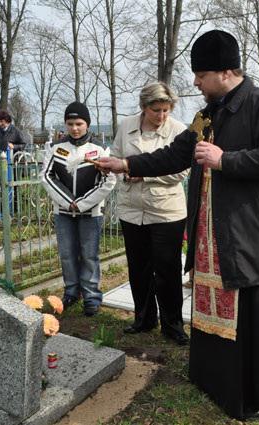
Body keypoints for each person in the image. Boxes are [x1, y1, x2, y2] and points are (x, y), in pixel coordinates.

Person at [97, 30, 259, 421]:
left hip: (252, 237)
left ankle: (250, 395)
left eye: (200, 74)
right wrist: (126, 165)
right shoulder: (207, 115)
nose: (194, 82)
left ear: (225, 72)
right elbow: (175, 155)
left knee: (250, 320)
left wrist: (227, 160)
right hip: (213, 235)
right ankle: (212, 381)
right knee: (208, 309)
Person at [111, 82, 190, 345]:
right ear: (143, 107)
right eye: (156, 110)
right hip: (132, 210)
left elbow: (182, 171)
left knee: (167, 271)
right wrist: (118, 170)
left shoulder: (179, 131)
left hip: (166, 212)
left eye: (166, 110)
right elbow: (116, 156)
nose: (162, 116)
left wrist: (142, 173)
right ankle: (143, 319)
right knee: (138, 268)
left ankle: (173, 325)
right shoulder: (126, 126)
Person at [41, 102, 116, 317]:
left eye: (79, 123)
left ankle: (92, 296)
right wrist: (68, 202)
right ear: (65, 124)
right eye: (70, 123)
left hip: (90, 213)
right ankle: (71, 292)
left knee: (89, 255)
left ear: (88, 125)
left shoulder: (99, 150)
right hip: (64, 213)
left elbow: (108, 181)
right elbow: (46, 176)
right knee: (67, 254)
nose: (75, 128)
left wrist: (81, 203)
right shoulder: (55, 148)